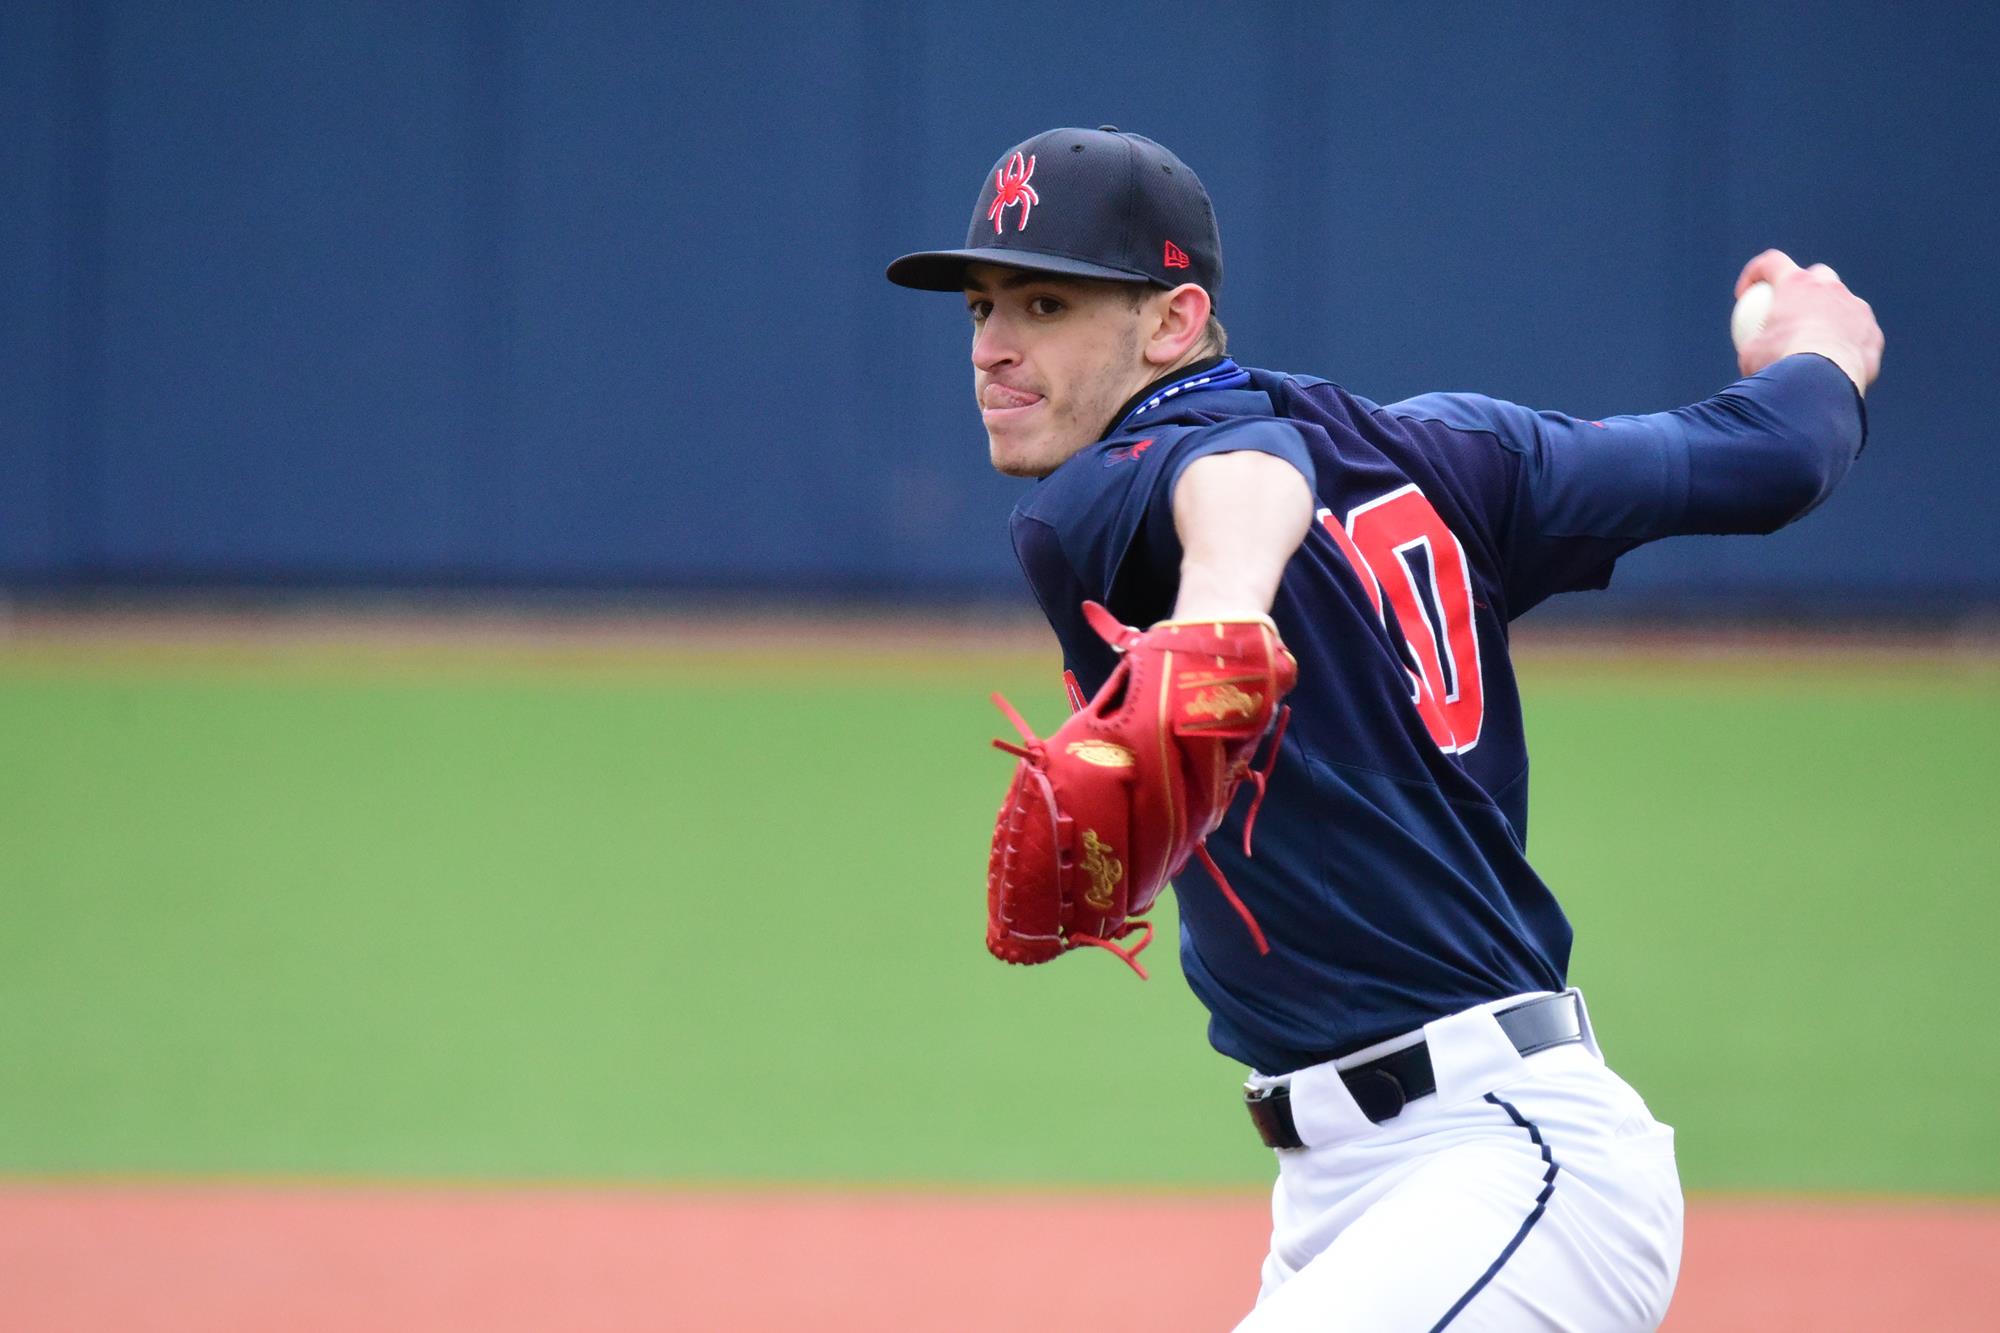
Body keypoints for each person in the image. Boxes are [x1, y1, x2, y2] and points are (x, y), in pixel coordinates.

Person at [886, 127, 1882, 1331]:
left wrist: (1219, 619)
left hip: (1503, 1162)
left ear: (1170, 320)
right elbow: (1770, 455)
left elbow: (1238, 470)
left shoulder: (1102, 491)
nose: (993, 345)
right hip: (1355, 1194)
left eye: (1044, 302)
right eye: (982, 304)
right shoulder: (1449, 454)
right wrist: (1820, 350)